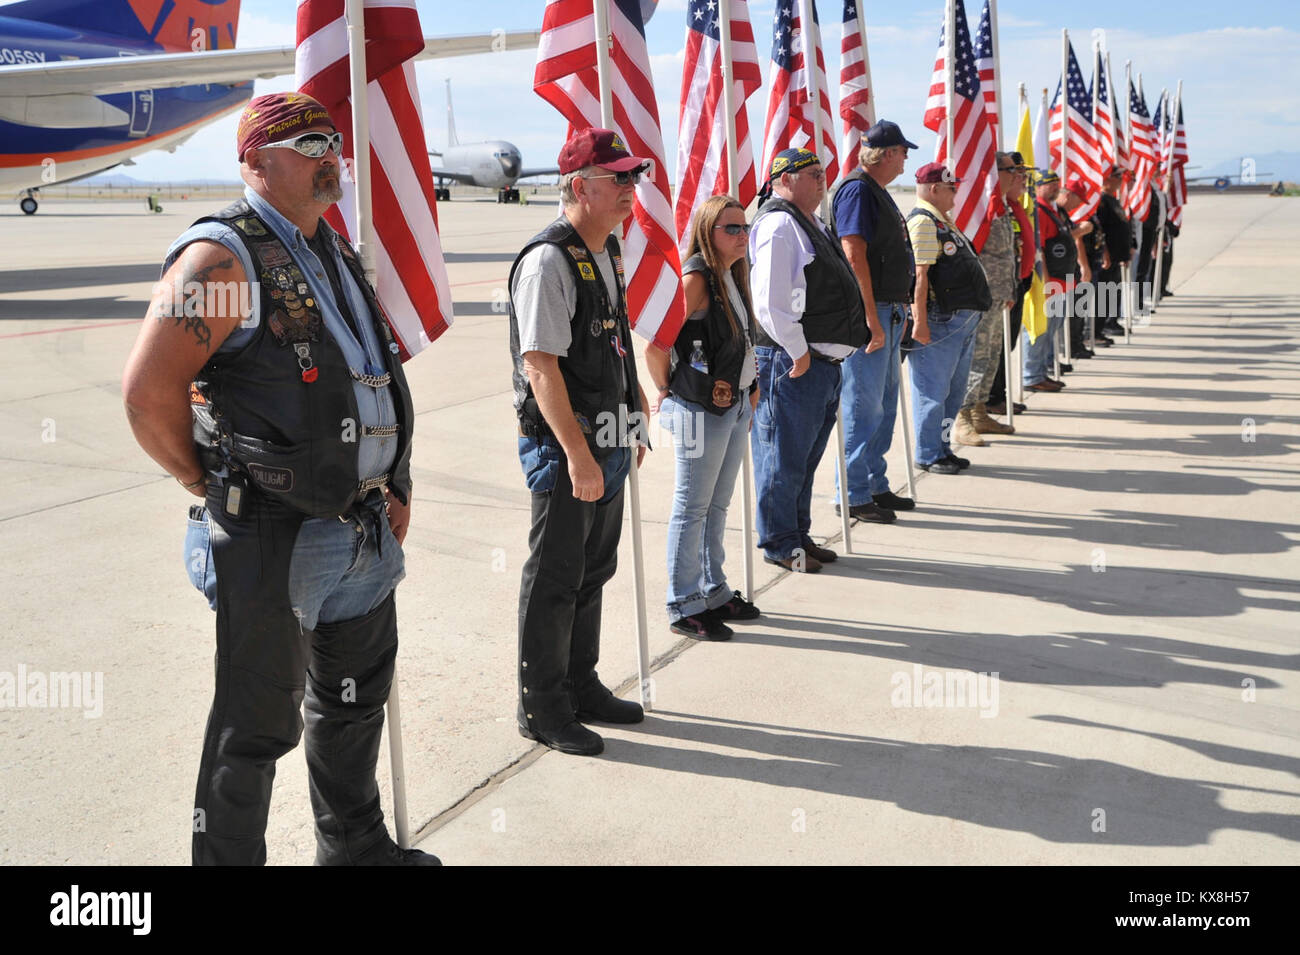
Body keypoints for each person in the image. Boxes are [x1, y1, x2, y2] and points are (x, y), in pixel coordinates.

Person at [121, 92, 436, 865]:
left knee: (354, 704)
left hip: (359, 532)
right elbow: (146, 393)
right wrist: (207, 477)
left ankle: (355, 847)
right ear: (256, 161)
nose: (330, 151)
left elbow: (366, 373)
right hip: (273, 533)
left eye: (332, 137)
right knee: (254, 724)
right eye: (307, 141)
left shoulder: (327, 246)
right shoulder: (225, 257)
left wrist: (389, 479)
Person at [508, 127, 651, 757]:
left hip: (608, 440)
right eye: (617, 178)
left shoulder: (606, 249)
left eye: (632, 177)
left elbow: (612, 338)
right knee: (556, 577)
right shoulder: (549, 262)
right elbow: (542, 367)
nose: (629, 188)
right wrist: (577, 455)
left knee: (594, 568)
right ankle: (542, 705)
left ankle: (578, 683)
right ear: (578, 187)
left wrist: (635, 405)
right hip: (569, 449)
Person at [644, 195, 760, 640]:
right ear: (707, 233)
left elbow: (738, 341)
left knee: (716, 504)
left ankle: (713, 590)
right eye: (731, 228)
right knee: (691, 507)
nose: (742, 235)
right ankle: (682, 602)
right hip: (698, 409)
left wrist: (749, 388)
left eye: (744, 227)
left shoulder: (731, 275)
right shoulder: (697, 277)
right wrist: (666, 389)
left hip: (730, 408)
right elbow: (656, 345)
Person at [749, 146, 868, 573]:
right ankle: (780, 542)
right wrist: (798, 352)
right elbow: (770, 302)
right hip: (793, 362)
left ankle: (797, 533)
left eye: (822, 173)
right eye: (811, 173)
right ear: (784, 180)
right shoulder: (781, 224)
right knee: (783, 457)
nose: (822, 179)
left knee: (803, 458)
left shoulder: (809, 222)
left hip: (820, 364)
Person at [831, 119, 918, 520]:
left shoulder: (876, 191)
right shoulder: (857, 190)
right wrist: (871, 317)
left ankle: (874, 483)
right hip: (874, 310)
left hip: (890, 309)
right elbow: (854, 254)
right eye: (902, 152)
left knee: (882, 403)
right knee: (863, 405)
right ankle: (852, 492)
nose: (905, 160)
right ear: (885, 155)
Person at [905, 162, 991, 474]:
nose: (956, 193)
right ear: (934, 190)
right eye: (951, 187)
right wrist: (920, 320)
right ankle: (928, 453)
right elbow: (920, 276)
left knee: (953, 393)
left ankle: (941, 447)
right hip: (940, 321)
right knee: (933, 391)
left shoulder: (943, 221)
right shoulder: (924, 222)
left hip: (960, 322)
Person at [953, 151, 1024, 448]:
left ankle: (980, 411)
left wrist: (1009, 290)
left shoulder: (1003, 206)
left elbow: (1006, 254)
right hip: (980, 298)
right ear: (995, 174)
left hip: (999, 295)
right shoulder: (982, 208)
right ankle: (962, 418)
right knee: (975, 357)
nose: (1018, 175)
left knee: (991, 355)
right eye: (1012, 170)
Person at [986, 151, 1036, 416]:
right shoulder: (998, 205)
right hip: (1003, 286)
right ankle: (993, 397)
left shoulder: (1015, 206)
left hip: (1017, 283)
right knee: (999, 345)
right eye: (1018, 174)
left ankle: (998, 394)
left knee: (1008, 344)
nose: (1023, 179)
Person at [1022, 170, 1076, 393]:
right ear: (1038, 187)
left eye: (1057, 183)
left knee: (1051, 330)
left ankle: (1041, 372)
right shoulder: (1040, 212)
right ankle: (1031, 375)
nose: (1056, 187)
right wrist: (1044, 282)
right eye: (1050, 183)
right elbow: (1040, 249)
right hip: (1049, 283)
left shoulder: (1053, 210)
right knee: (1039, 329)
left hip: (1061, 282)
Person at [1096, 165, 1133, 337]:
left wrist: (1127, 251)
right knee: (1105, 291)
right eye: (1117, 176)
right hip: (1108, 257)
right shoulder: (1102, 202)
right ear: (1107, 178)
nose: (1120, 180)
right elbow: (1101, 230)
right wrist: (1105, 253)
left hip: (1118, 256)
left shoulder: (1114, 200)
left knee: (1114, 290)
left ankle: (1111, 321)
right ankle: (1100, 326)